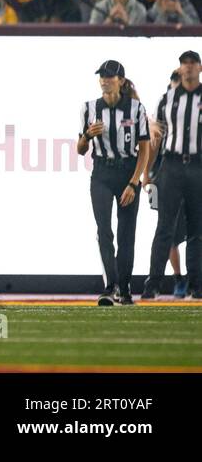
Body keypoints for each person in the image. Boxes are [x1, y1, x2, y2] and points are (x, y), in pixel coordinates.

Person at [79, 60, 150, 306]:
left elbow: (144, 149)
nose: (105, 80)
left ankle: (125, 285)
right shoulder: (89, 108)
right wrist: (88, 135)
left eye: (110, 76)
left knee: (126, 233)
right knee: (104, 231)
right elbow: (80, 149)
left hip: (127, 172)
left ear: (120, 80)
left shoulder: (136, 109)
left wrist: (133, 183)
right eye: (102, 76)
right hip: (101, 172)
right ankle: (110, 286)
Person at [143, 50, 202, 300]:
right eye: (184, 64)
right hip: (172, 165)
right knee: (164, 227)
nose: (188, 68)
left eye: (192, 64)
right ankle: (153, 283)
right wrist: (147, 172)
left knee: (197, 230)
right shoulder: (167, 99)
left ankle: (196, 284)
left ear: (199, 67)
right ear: (179, 68)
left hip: (199, 165)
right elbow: (155, 138)